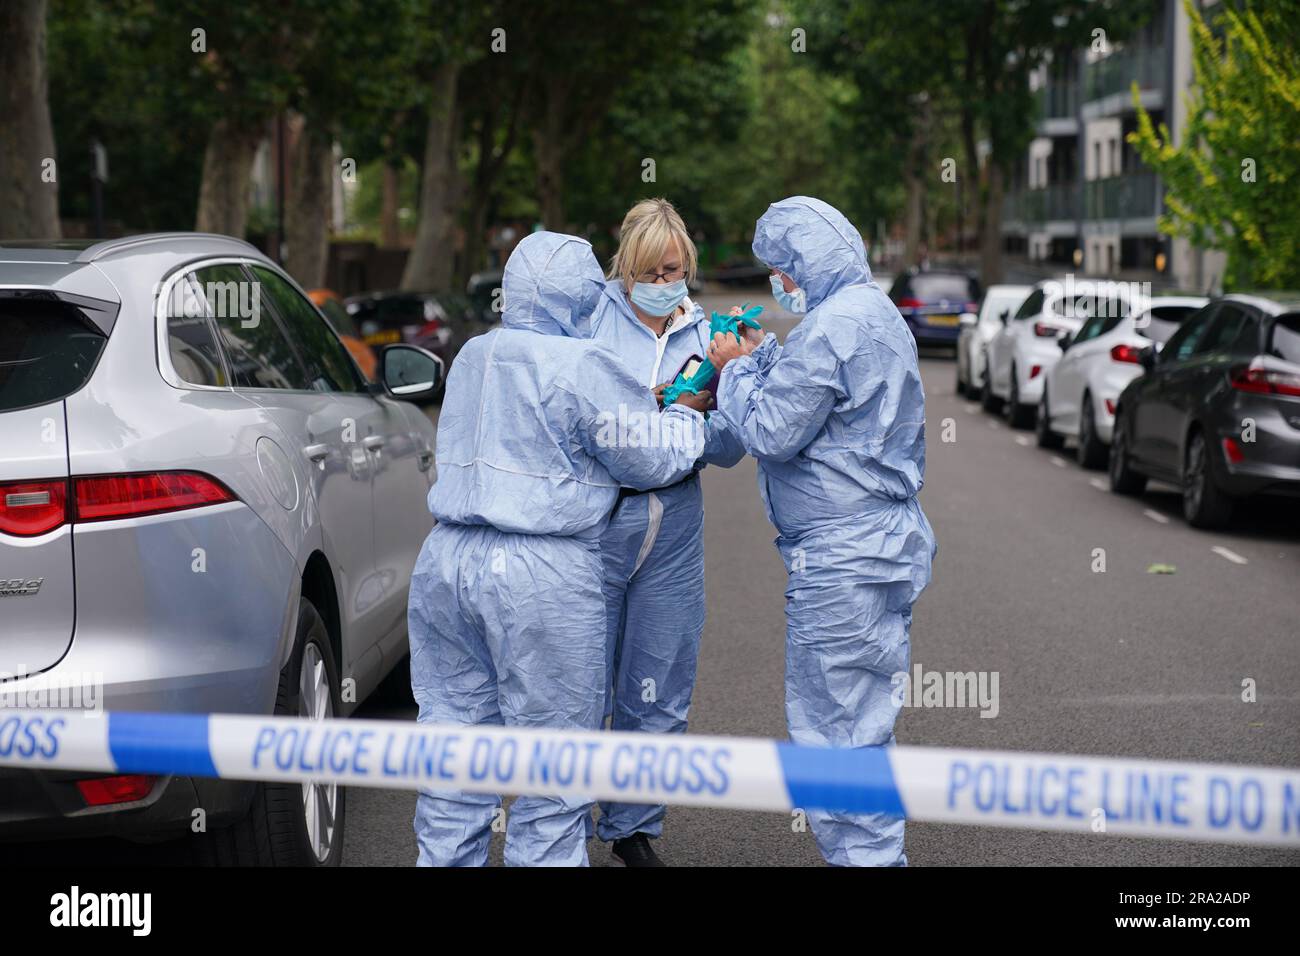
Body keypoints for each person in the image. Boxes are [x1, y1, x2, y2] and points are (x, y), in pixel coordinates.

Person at [408, 231, 713, 867]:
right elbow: (649, 457)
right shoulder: (581, 364)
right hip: (540, 566)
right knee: (556, 763)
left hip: (447, 561)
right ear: (582, 294)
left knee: (454, 746)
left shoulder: (473, 355)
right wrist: (686, 413)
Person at [706, 196, 937, 867]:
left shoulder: (834, 326)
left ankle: (866, 860)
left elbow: (774, 430)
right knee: (863, 720)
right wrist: (769, 356)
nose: (779, 281)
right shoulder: (873, 311)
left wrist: (736, 369)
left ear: (805, 261)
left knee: (836, 728)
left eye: (781, 267)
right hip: (883, 544)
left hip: (843, 557)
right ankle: (872, 856)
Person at [587, 198, 746, 866]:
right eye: (648, 271)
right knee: (580, 680)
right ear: (624, 270)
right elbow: (581, 423)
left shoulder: (705, 333)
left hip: (674, 525)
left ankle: (632, 827)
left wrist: (719, 390)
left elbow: (732, 444)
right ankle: (560, 821)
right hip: (597, 521)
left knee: (659, 679)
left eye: (672, 268)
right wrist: (666, 410)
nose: (661, 282)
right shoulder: (591, 325)